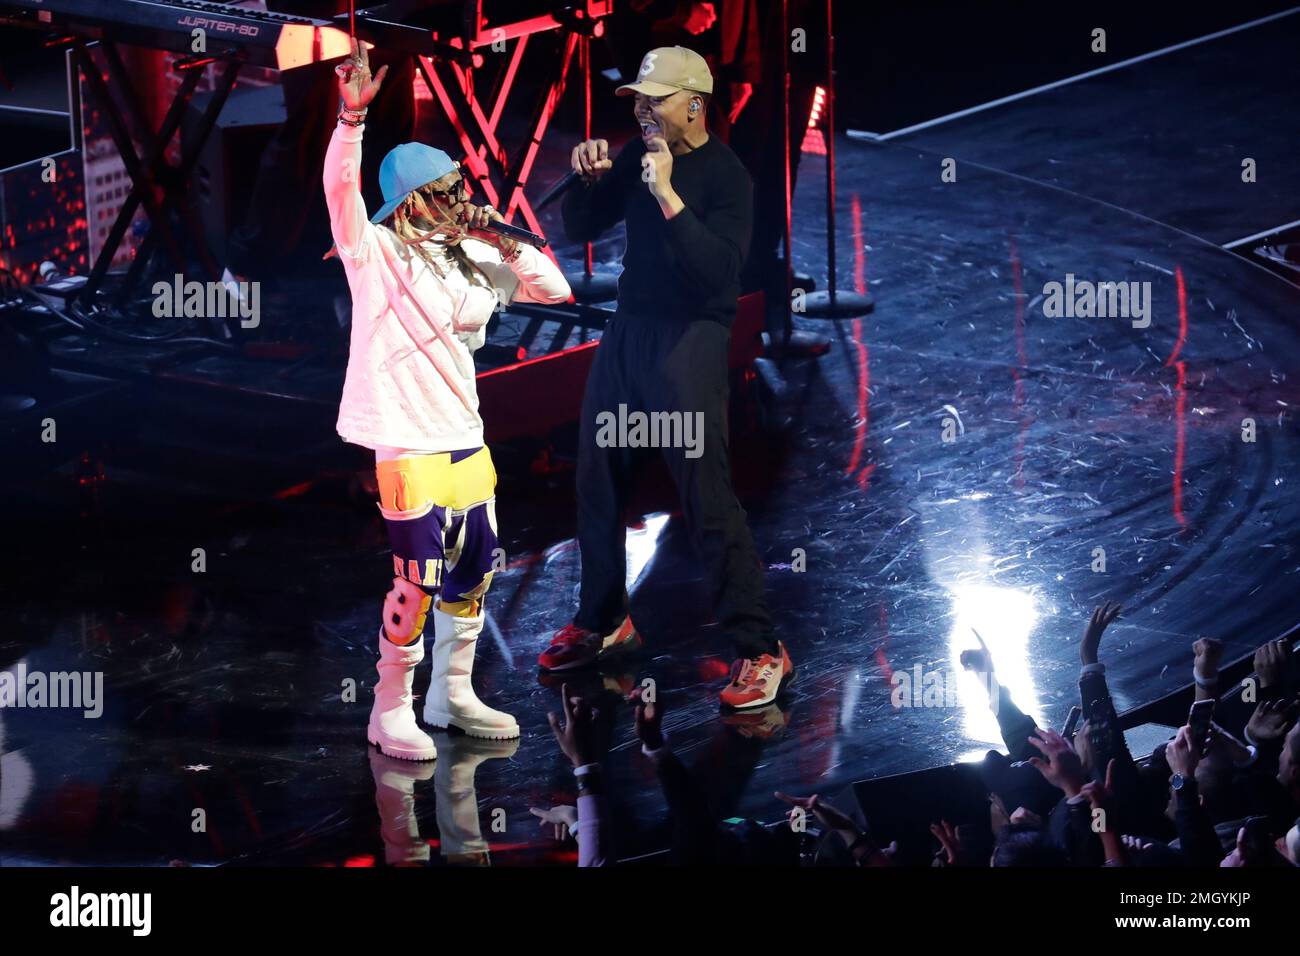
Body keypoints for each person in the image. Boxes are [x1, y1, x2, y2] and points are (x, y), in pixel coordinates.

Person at [324, 39, 571, 760]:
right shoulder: (376, 253)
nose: (461, 200)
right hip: (406, 434)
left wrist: (499, 233)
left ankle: (451, 691)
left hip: (464, 427)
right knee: (417, 575)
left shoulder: (470, 254)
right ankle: (389, 705)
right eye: (447, 193)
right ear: (410, 204)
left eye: (463, 188)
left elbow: (553, 289)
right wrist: (350, 121)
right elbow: (340, 194)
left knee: (476, 563)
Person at [538, 46, 793, 711]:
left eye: (655, 99)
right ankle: (604, 620)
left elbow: (717, 275)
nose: (644, 111)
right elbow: (581, 227)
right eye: (639, 101)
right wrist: (591, 180)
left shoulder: (725, 176)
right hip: (631, 332)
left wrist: (669, 197)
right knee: (597, 478)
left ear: (695, 103)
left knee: (703, 495)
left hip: (690, 338)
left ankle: (761, 647)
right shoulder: (638, 154)